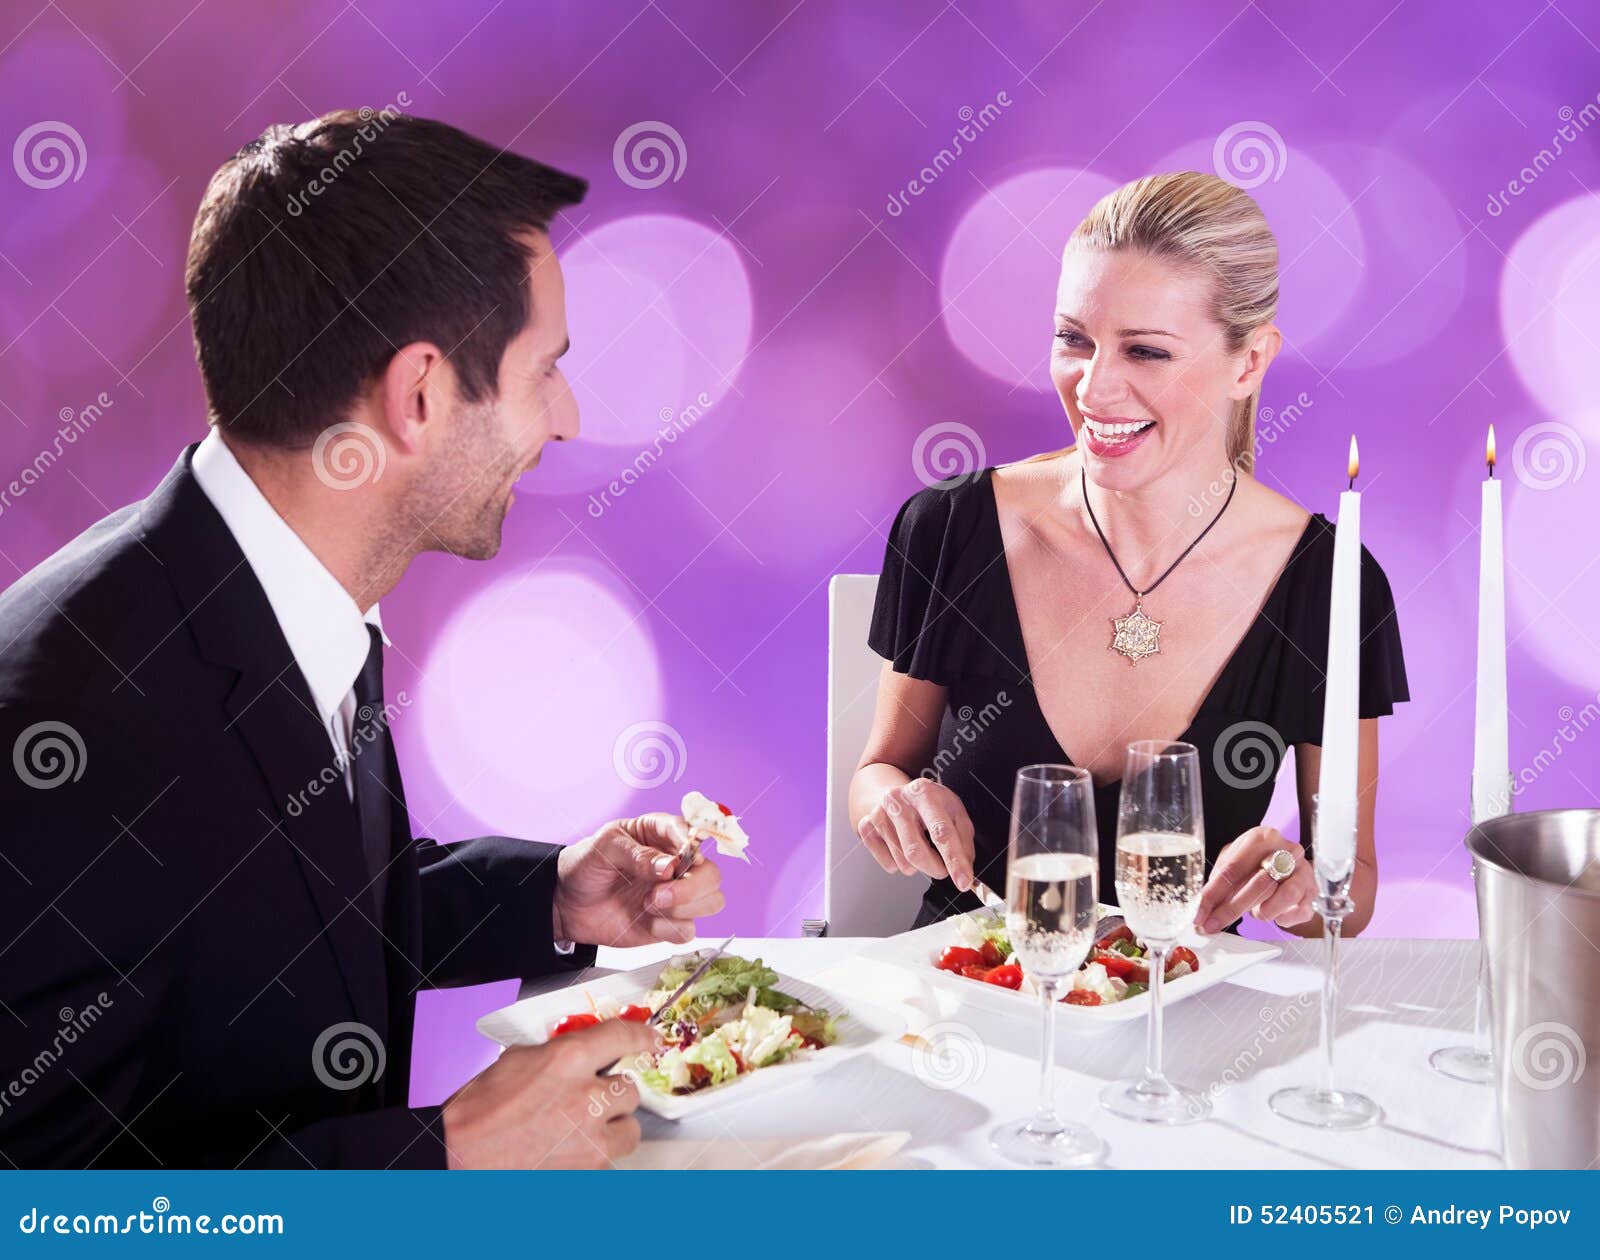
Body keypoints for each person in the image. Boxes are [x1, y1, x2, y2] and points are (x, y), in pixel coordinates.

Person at [0, 113, 724, 1169]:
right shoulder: (71, 716)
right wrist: (441, 1158)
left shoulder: (284, 592)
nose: (565, 420)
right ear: (418, 395)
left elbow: (277, 918)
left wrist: (550, 896)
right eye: (545, 372)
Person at [849, 171, 1408, 938]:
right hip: (966, 988)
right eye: (1073, 339)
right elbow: (880, 769)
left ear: (1249, 362)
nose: (1094, 388)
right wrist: (890, 800)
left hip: (1184, 999)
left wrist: (1296, 886)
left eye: (1145, 351)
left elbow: (1352, 890)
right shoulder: (950, 529)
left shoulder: (1330, 584)